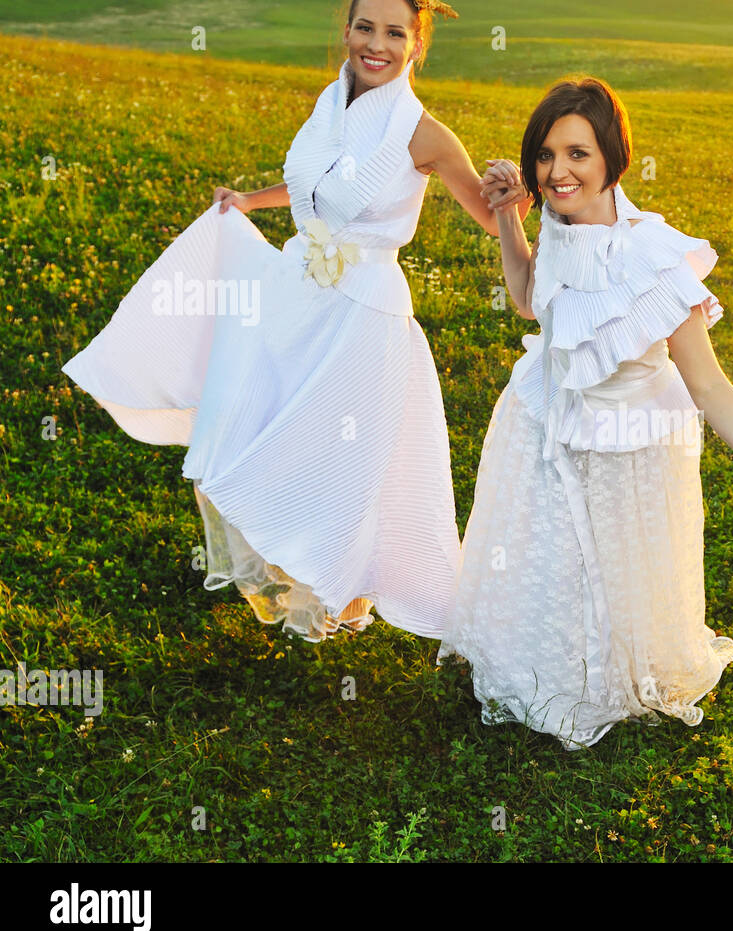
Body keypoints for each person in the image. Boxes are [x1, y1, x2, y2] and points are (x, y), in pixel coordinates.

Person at [62, 0, 511, 642]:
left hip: (363, 312)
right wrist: (250, 200)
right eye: (364, 28)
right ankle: (300, 566)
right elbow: (312, 193)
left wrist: (509, 197)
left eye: (394, 33)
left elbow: (490, 216)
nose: (375, 44)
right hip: (296, 294)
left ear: (417, 46)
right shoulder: (330, 105)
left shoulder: (425, 133)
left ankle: (343, 591)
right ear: (347, 30)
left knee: (341, 453)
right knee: (257, 423)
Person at [436, 77, 733, 750]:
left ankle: (608, 672)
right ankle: (546, 660)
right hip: (546, 422)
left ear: (612, 158)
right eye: (545, 155)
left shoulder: (652, 258)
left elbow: (708, 383)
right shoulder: (558, 222)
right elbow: (530, 300)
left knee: (615, 569)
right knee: (551, 560)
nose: (557, 171)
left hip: (627, 443)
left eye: (577, 154)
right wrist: (510, 217)